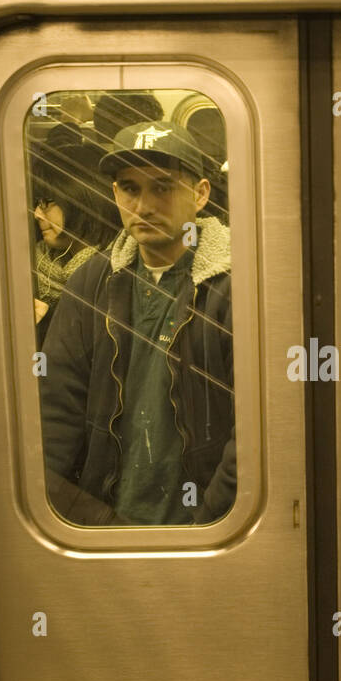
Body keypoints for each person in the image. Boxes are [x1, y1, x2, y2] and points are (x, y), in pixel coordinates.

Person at [39, 121, 235, 526]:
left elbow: (255, 434)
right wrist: (78, 522)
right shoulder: (93, 283)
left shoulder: (233, 287)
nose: (143, 206)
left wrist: (209, 531)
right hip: (106, 522)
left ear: (200, 194)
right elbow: (55, 411)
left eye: (162, 187)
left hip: (206, 529)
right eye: (130, 188)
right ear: (114, 193)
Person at [29, 158, 118, 347]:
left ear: (80, 200)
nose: (37, 213)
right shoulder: (34, 264)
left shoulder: (113, 273)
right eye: (37, 202)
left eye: (47, 202)